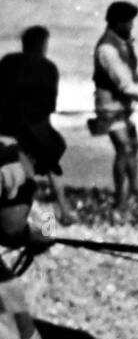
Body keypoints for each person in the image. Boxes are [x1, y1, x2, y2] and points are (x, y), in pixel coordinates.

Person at [0, 26, 73, 223]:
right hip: (33, 126)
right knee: (53, 164)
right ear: (43, 45)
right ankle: (63, 210)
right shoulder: (49, 68)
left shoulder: (8, 61)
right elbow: (50, 105)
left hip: (5, 124)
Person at [92, 1, 138, 210]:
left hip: (125, 106)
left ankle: (135, 189)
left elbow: (137, 71)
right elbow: (124, 84)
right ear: (117, 22)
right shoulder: (106, 49)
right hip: (108, 105)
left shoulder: (125, 43)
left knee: (134, 147)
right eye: (128, 22)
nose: (131, 26)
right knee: (123, 149)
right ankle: (120, 199)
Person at [0, 129, 57, 339]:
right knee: (9, 289)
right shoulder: (17, 170)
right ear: (32, 157)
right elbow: (11, 228)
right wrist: (32, 237)